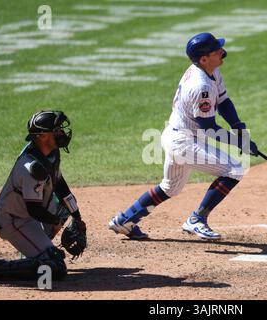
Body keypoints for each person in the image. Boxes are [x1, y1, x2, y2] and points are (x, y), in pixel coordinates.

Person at [108, 32, 258, 241]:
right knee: (233, 169)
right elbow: (209, 127)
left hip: (178, 135)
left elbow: (223, 102)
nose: (223, 52)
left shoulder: (210, 71)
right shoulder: (201, 86)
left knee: (170, 188)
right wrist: (238, 142)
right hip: (184, 142)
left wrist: (239, 129)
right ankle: (197, 219)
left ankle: (125, 220)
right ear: (204, 58)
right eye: (217, 50)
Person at [0, 110, 87, 283]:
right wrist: (55, 221)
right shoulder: (31, 167)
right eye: (56, 129)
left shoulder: (51, 152)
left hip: (30, 214)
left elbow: (59, 185)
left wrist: (78, 218)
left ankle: (37, 249)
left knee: (64, 208)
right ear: (42, 136)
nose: (61, 133)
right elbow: (34, 209)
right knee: (53, 267)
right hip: (14, 220)